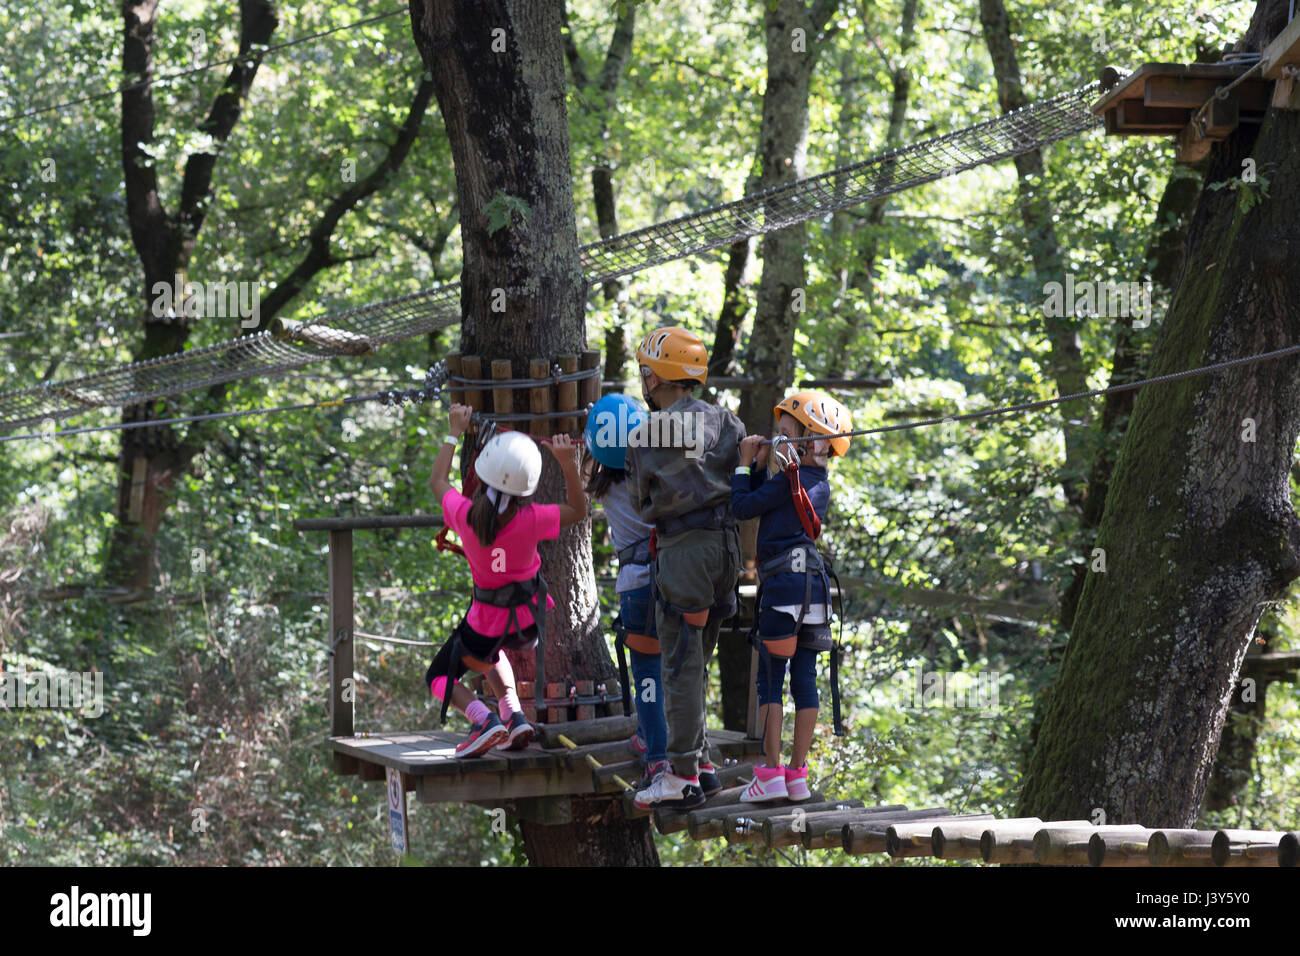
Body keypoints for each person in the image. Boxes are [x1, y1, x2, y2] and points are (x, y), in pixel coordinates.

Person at [626, 327, 744, 809]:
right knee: (698, 660)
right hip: (726, 553)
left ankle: (679, 775)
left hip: (684, 554)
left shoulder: (646, 434)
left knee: (679, 665)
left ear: (655, 377)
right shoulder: (730, 423)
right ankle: (702, 762)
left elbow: (640, 501)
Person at [426, 403, 586, 757]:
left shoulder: (464, 515)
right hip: (528, 623)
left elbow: (438, 482)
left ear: (482, 475)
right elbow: (578, 510)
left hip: (488, 621)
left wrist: (453, 432)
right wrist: (566, 463)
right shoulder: (532, 518)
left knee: (439, 677)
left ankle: (483, 721)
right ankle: (513, 716)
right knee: (489, 651)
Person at [731, 391, 851, 801]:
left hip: (782, 589)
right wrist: (770, 466)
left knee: (769, 681)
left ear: (808, 441)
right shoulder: (819, 484)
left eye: (784, 434)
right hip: (815, 590)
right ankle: (797, 776)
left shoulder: (788, 482)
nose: (777, 440)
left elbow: (743, 507)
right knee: (804, 680)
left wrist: (745, 466)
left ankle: (769, 774)